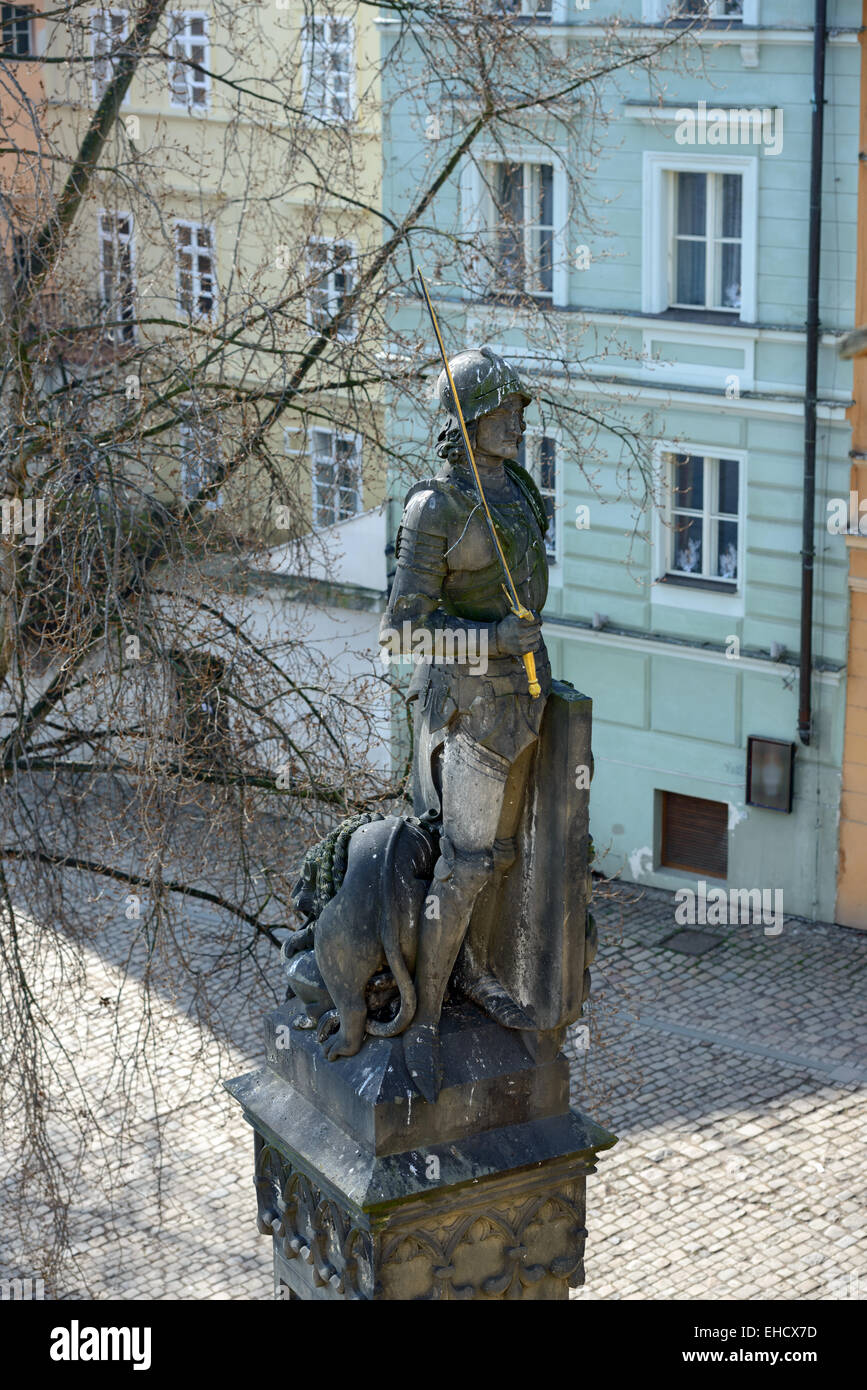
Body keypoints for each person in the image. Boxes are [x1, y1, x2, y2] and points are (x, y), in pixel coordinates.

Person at [379, 345, 552, 1101]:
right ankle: (419, 1016)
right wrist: (487, 641)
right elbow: (401, 633)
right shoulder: (434, 508)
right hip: (466, 704)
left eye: (517, 411)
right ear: (464, 421)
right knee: (468, 861)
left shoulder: (518, 489)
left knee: (503, 855)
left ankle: (474, 975)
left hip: (524, 695)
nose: (515, 424)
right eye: (500, 412)